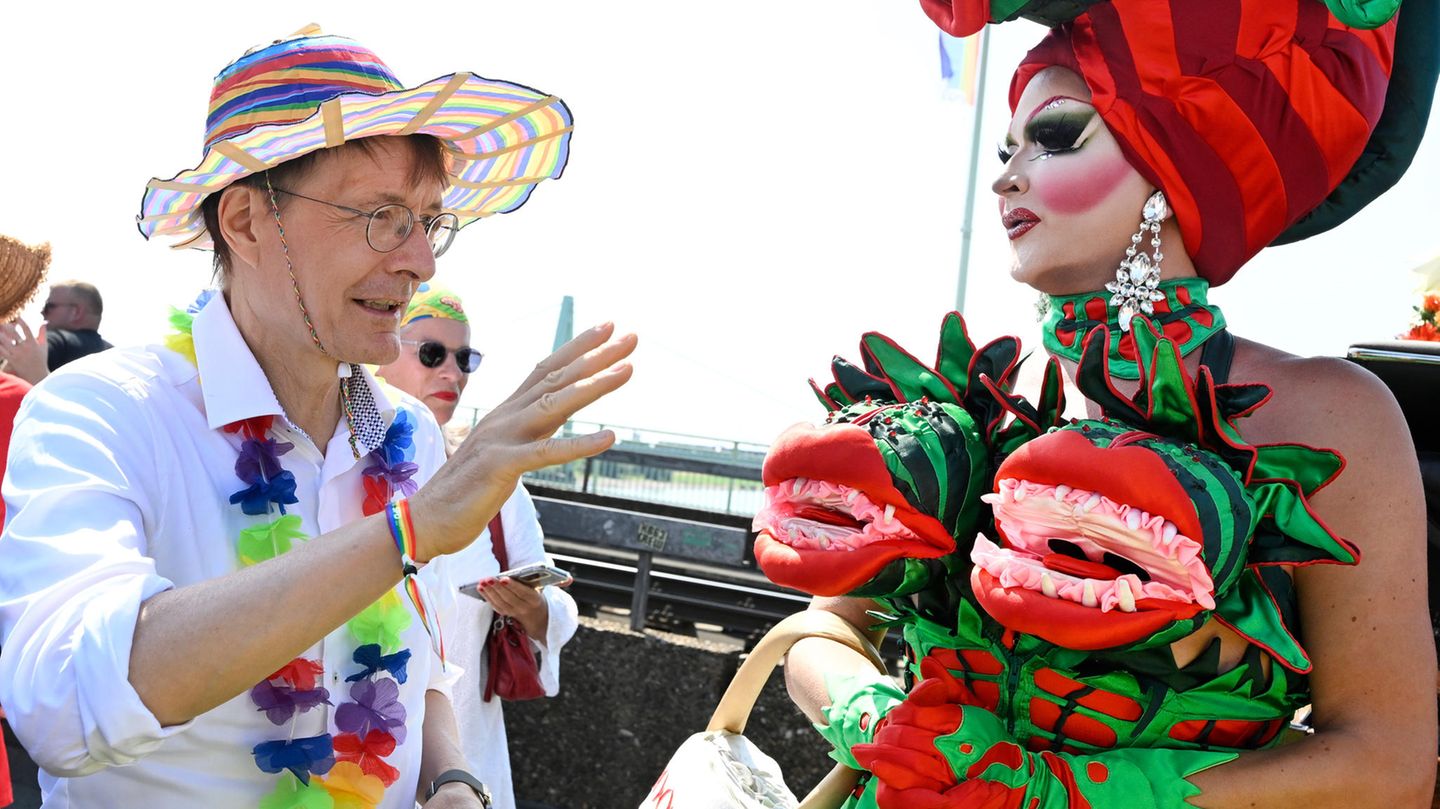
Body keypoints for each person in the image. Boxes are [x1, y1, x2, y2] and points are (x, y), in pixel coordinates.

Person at [775, 1, 1437, 807]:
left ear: (1177, 158)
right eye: (1007, 146)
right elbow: (824, 628)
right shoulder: (974, 400)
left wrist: (1066, 793)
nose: (1007, 175)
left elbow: (1389, 761)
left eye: (1055, 136)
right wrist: (878, 721)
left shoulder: (1332, 418)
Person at [0, 26, 635, 809]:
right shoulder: (100, 410)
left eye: (429, 220)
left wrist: (454, 779)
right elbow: (62, 708)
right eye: (380, 216)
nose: (421, 261)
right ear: (243, 222)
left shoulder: (409, 434)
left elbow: (423, 663)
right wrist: (404, 533)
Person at [378, 285, 578, 809]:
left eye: (465, 358)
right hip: (355, 760)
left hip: (468, 762)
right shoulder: (338, 464)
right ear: (379, 350)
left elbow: (560, 608)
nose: (453, 373)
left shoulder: (498, 481)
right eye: (431, 353)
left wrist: (534, 608)